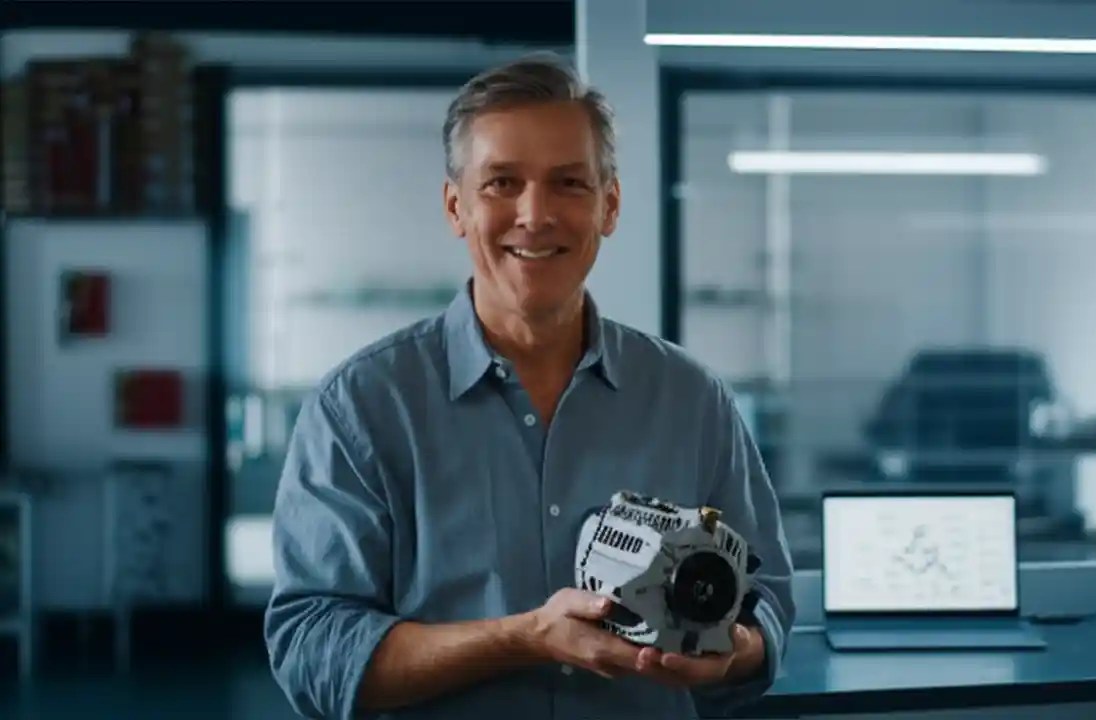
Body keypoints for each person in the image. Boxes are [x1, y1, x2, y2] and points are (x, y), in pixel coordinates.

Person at [264, 54, 795, 720]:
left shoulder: (692, 399)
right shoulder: (361, 407)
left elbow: (765, 598)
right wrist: (525, 639)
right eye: (502, 183)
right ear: (456, 206)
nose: (535, 214)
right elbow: (312, 649)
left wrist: (732, 649)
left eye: (569, 183)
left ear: (611, 205)